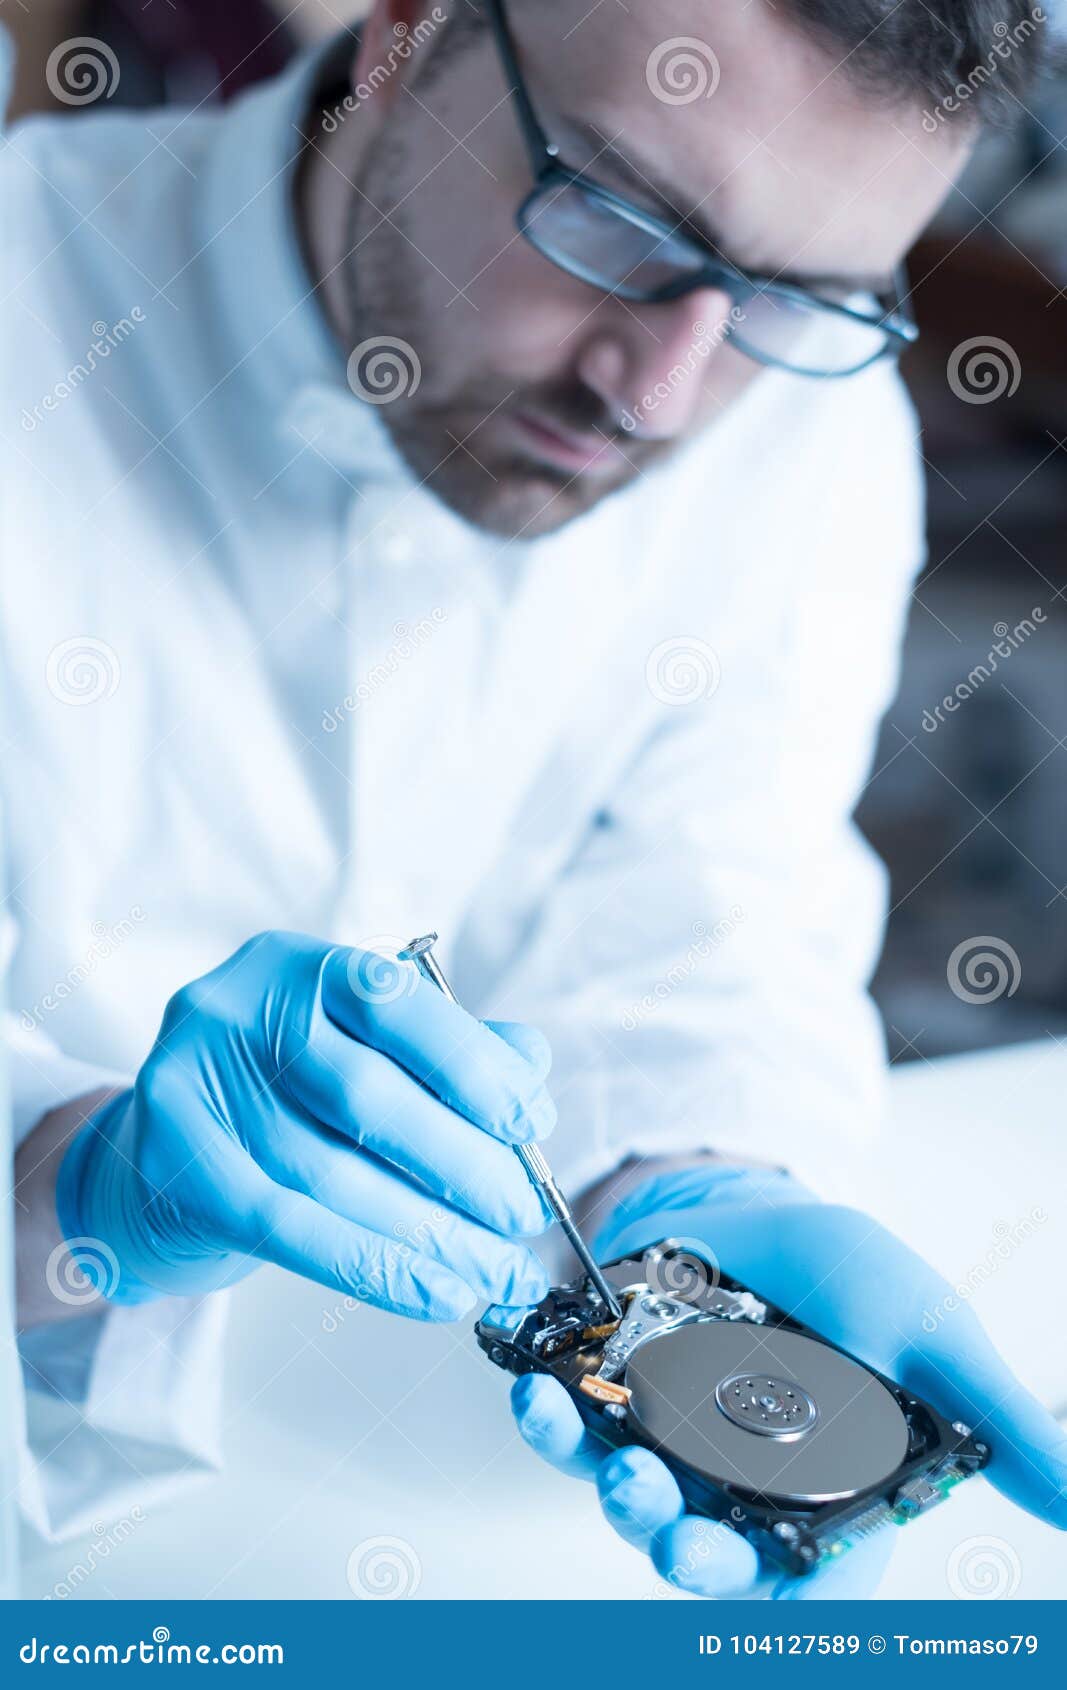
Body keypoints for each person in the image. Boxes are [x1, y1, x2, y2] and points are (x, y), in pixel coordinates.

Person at [3, 0, 1064, 1592]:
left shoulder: (803, 421)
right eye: (624, 223)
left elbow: (714, 900)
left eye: (806, 293)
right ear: (407, 32)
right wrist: (63, 1182)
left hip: (426, 1520)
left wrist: (692, 1188)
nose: (660, 393)